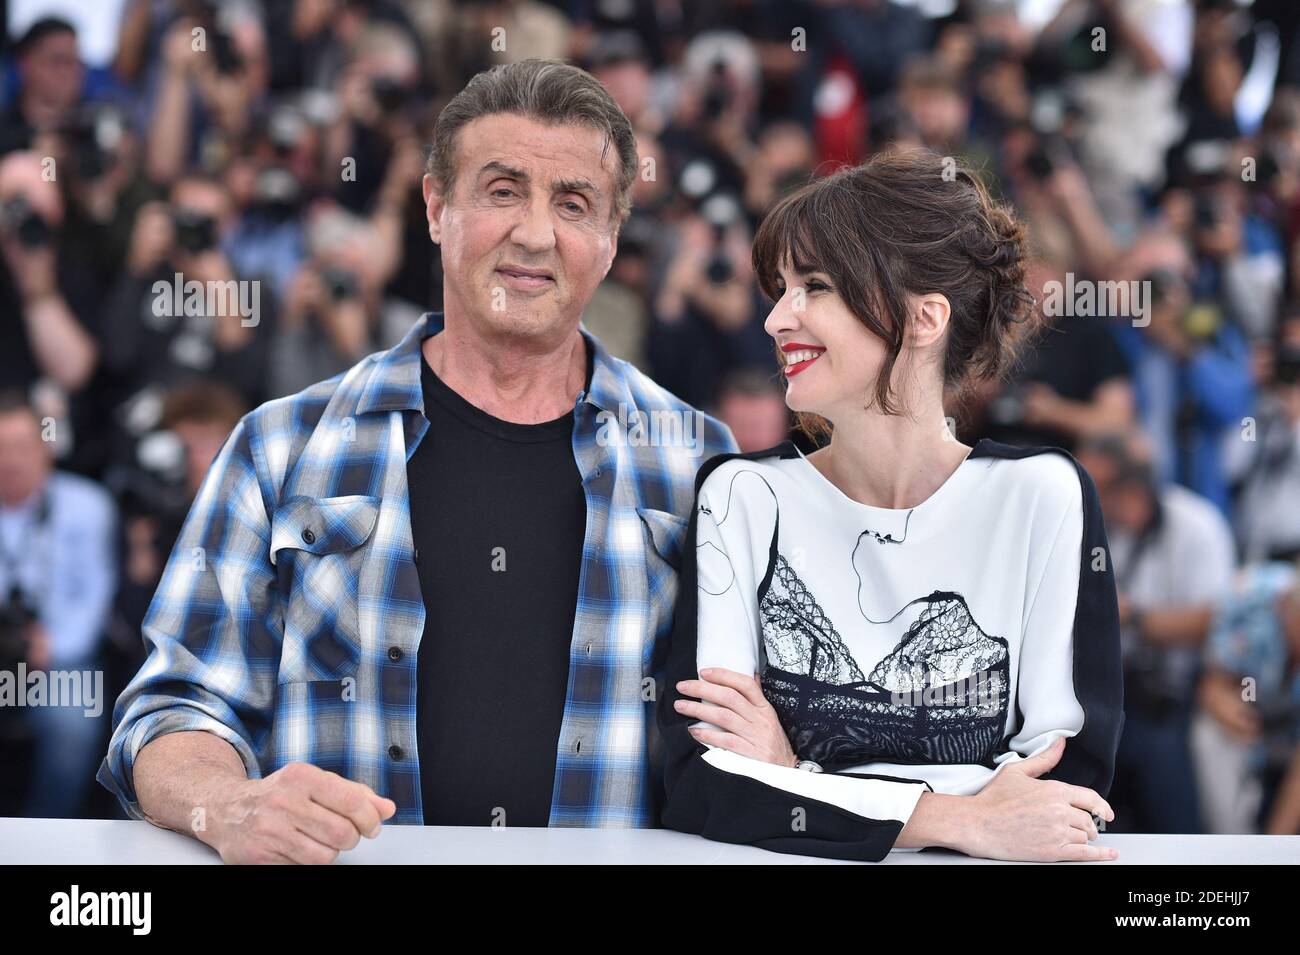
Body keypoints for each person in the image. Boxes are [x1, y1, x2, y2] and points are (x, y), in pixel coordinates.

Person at [99, 59, 735, 864]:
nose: (535, 234)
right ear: (436, 207)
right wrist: (227, 802)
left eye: (573, 204)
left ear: (610, 242)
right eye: (502, 190)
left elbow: (753, 744)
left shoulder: (702, 464)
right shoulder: (281, 445)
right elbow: (173, 706)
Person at [658, 148, 1125, 862]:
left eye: (814, 286)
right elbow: (705, 783)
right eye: (781, 288)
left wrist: (794, 777)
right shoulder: (740, 497)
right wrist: (960, 817)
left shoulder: (1042, 494)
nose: (777, 318)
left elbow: (1065, 792)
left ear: (925, 316)